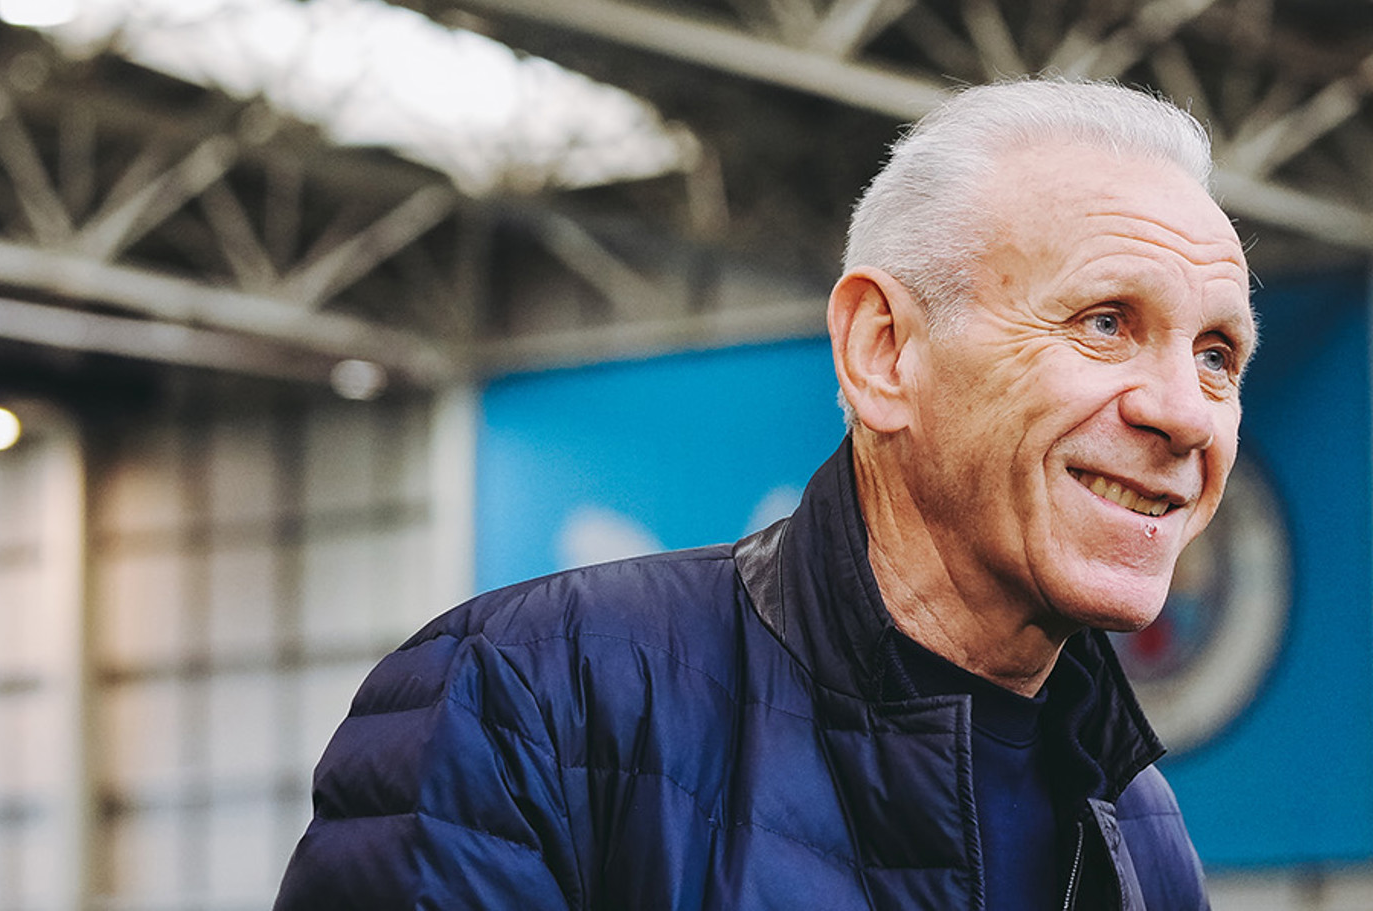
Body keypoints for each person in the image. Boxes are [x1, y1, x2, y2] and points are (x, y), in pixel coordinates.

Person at [275, 79, 1252, 911]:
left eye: (1218, 357)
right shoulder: (531, 701)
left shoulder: (1140, 828)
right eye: (1105, 322)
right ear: (884, 352)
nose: (1186, 415)